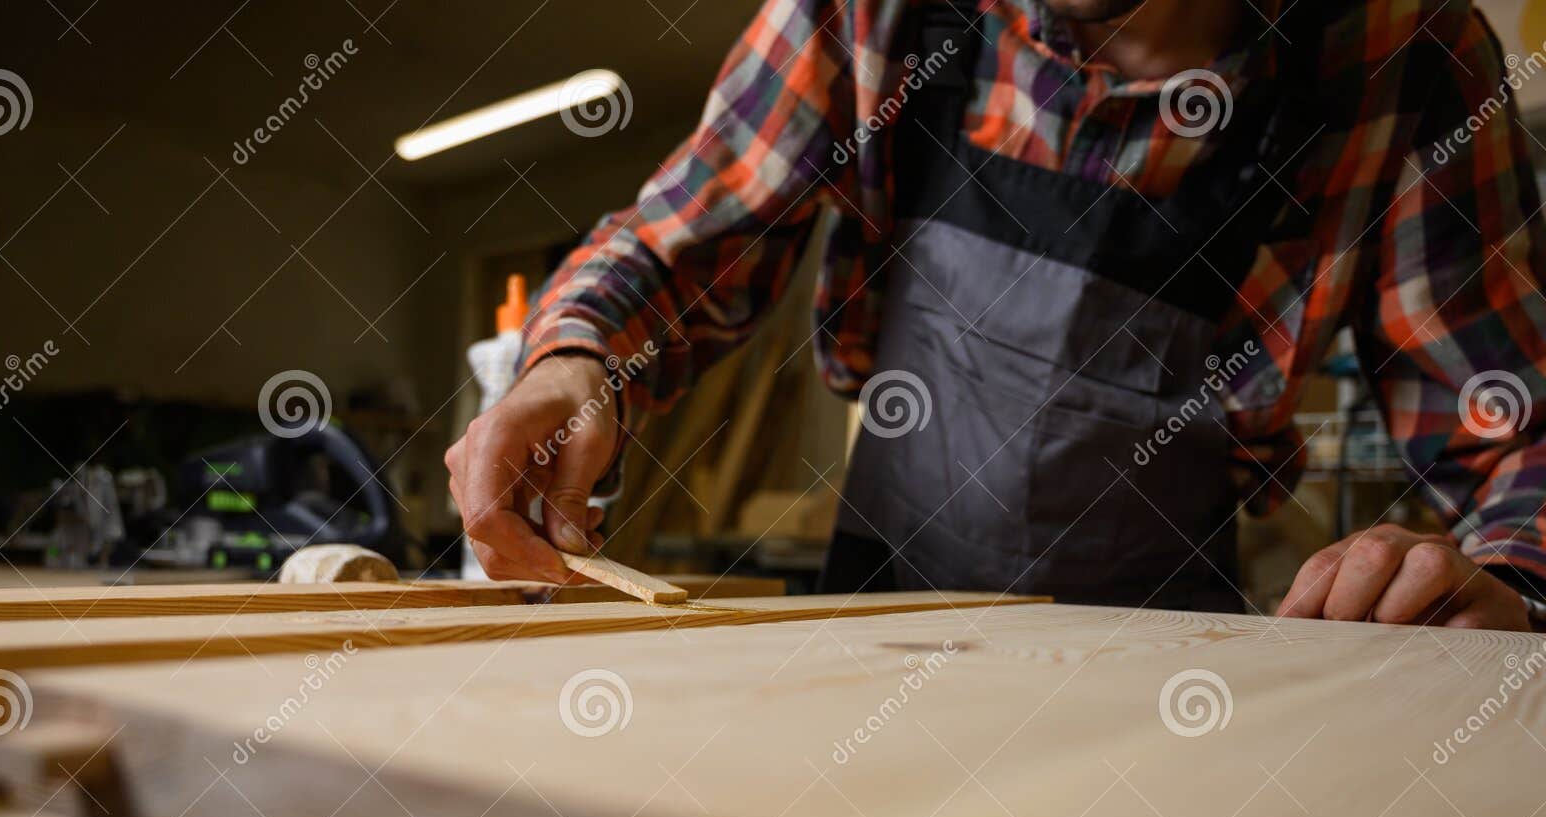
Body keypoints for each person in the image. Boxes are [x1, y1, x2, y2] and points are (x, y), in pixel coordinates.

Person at [446, 0, 1546, 630]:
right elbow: (675, 246)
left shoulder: (1402, 55)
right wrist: (572, 359)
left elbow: (1516, 438)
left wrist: (1501, 585)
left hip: (1182, 675)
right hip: (876, 638)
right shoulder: (873, 13)